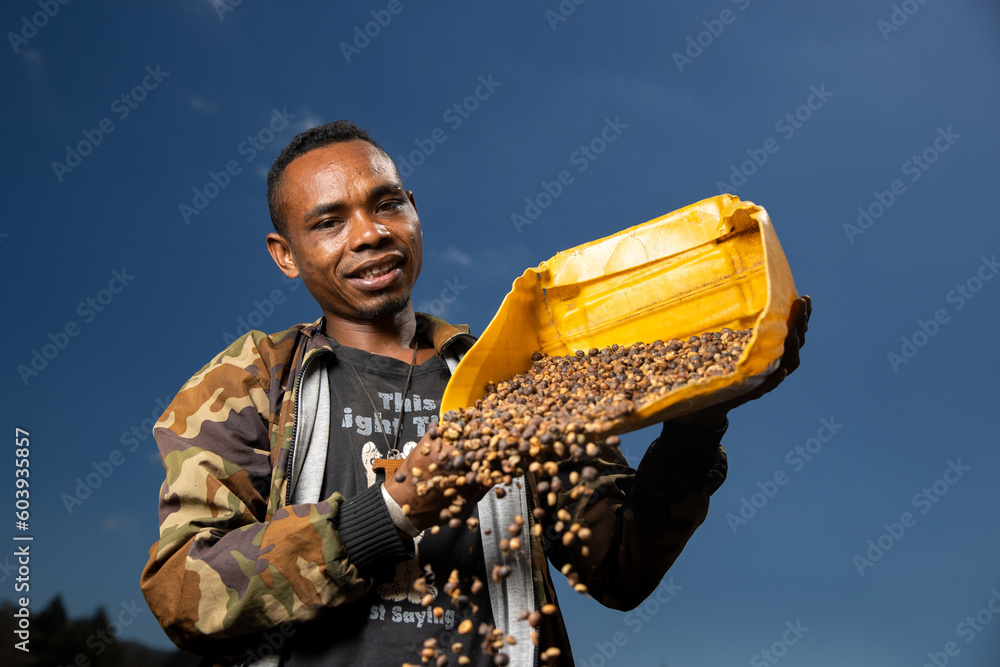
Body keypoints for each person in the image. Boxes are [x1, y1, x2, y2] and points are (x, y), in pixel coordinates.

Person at [140, 120, 810, 666]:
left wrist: (699, 419)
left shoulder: (517, 373)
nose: (369, 233)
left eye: (386, 203)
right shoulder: (252, 378)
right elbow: (182, 590)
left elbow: (620, 566)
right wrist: (395, 508)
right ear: (285, 253)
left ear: (413, 210)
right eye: (329, 222)